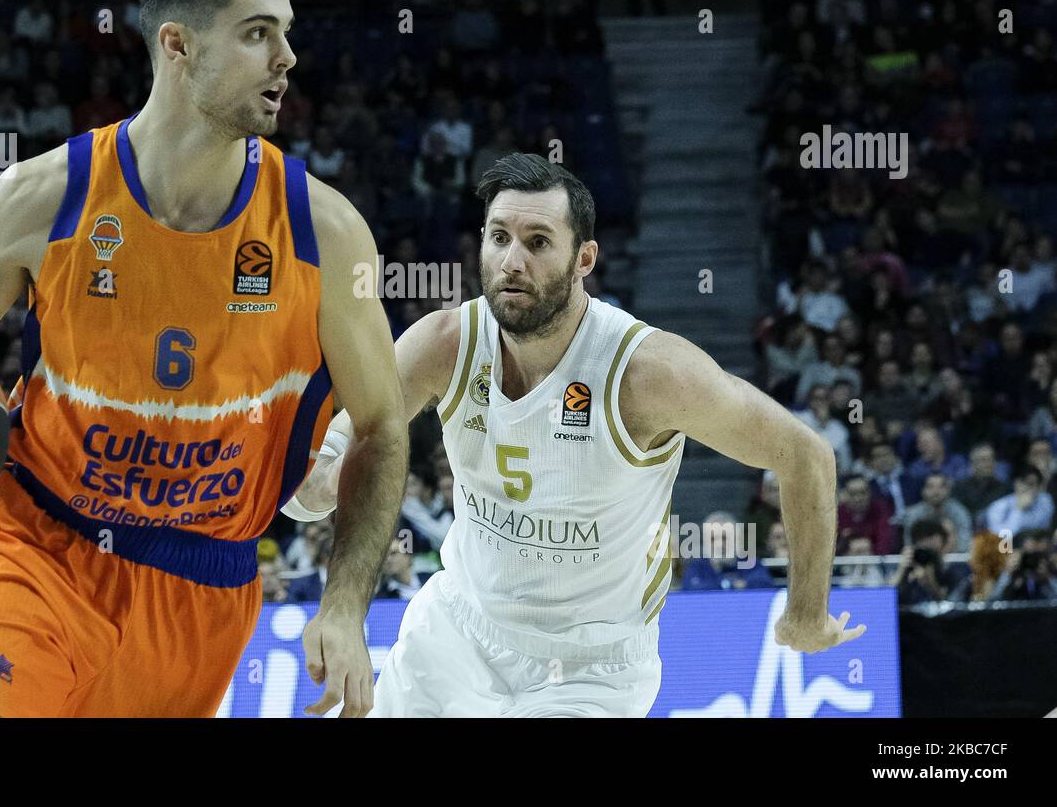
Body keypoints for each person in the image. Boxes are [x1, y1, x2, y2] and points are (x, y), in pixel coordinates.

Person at [0, 0, 407, 719]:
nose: (287, 56)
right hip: (33, 546)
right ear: (178, 45)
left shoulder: (324, 234)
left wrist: (344, 604)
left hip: (201, 590)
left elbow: (381, 426)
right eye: (259, 32)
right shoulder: (43, 197)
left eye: (286, 32)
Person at [295, 154, 862, 718]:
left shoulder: (646, 372)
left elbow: (805, 454)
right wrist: (317, 480)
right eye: (499, 238)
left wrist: (807, 612)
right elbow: (350, 437)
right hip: (458, 629)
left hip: (592, 669)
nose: (512, 261)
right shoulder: (446, 340)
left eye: (538, 242)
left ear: (583, 258)